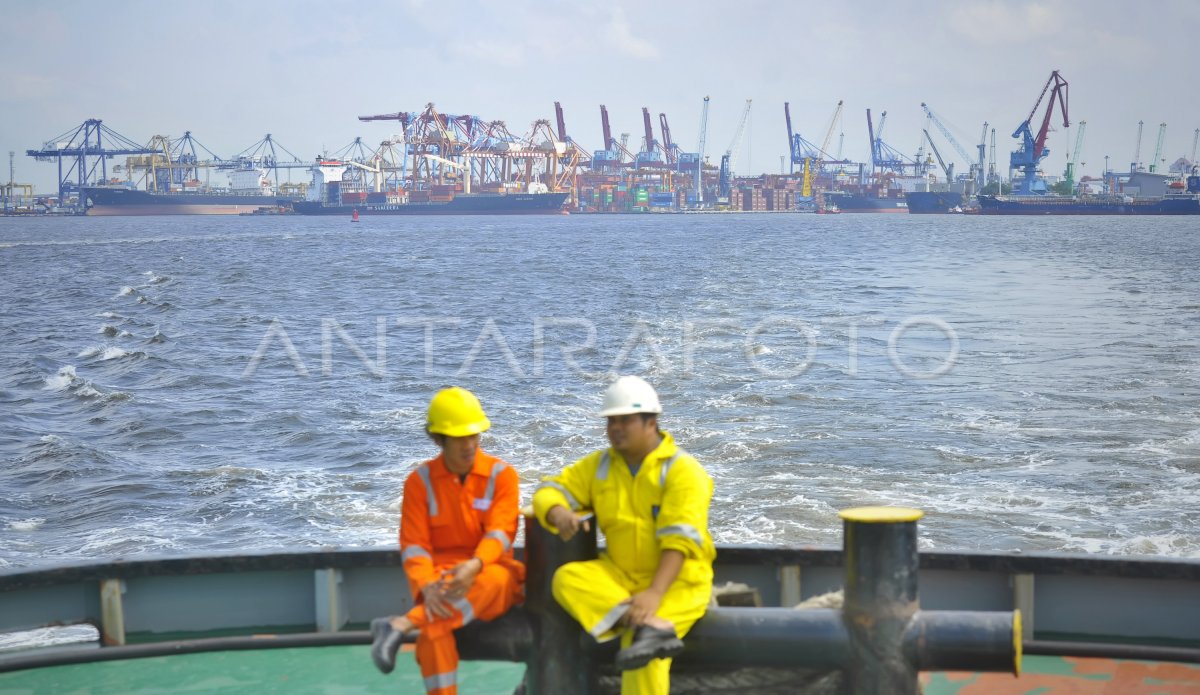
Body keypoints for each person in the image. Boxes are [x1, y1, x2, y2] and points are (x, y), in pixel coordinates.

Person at [532, 375, 715, 695]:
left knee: (643, 651)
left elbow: (680, 541)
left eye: (625, 420)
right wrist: (558, 512)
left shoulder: (684, 472)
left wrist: (655, 594)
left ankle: (646, 625)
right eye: (611, 421)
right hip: (621, 577)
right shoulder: (600, 467)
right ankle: (647, 622)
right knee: (567, 578)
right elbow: (549, 489)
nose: (616, 428)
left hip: (678, 583)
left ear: (651, 423)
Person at [370, 387, 525, 695]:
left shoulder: (502, 476)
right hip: (440, 581)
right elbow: (414, 545)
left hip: (490, 571)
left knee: (491, 581)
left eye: (474, 436)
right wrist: (426, 585)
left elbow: (501, 532)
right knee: (433, 636)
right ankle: (415, 624)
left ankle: (401, 624)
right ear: (438, 439)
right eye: (459, 438)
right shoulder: (419, 483)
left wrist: (475, 564)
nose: (469, 445)